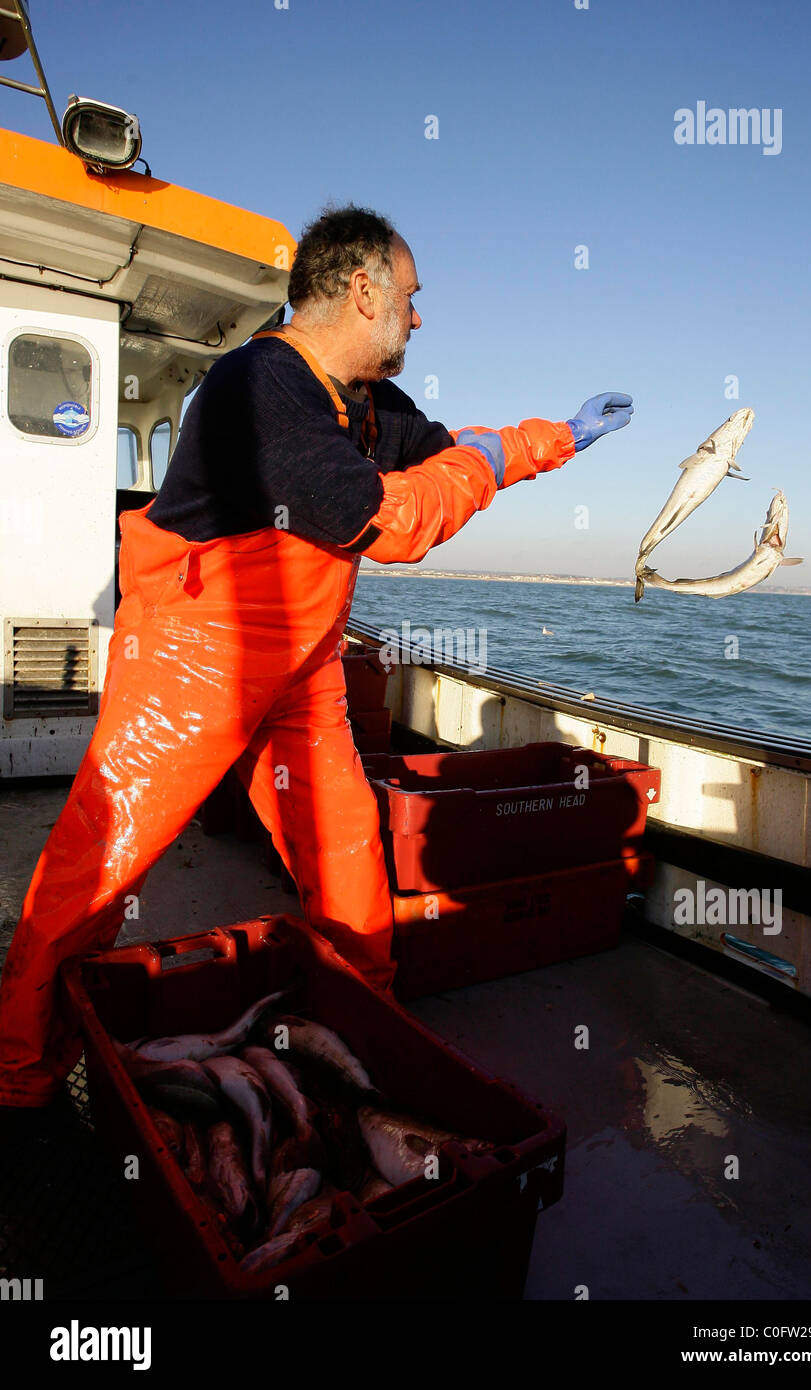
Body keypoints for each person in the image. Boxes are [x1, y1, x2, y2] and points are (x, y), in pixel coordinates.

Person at [0, 204, 633, 1113]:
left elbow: (454, 456)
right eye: (411, 299)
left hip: (303, 668)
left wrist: (557, 439)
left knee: (345, 854)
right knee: (98, 864)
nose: (420, 317)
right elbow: (389, 518)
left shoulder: (370, 402)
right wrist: (496, 458)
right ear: (364, 288)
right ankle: (20, 1074)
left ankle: (360, 1040)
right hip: (193, 664)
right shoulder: (260, 384)